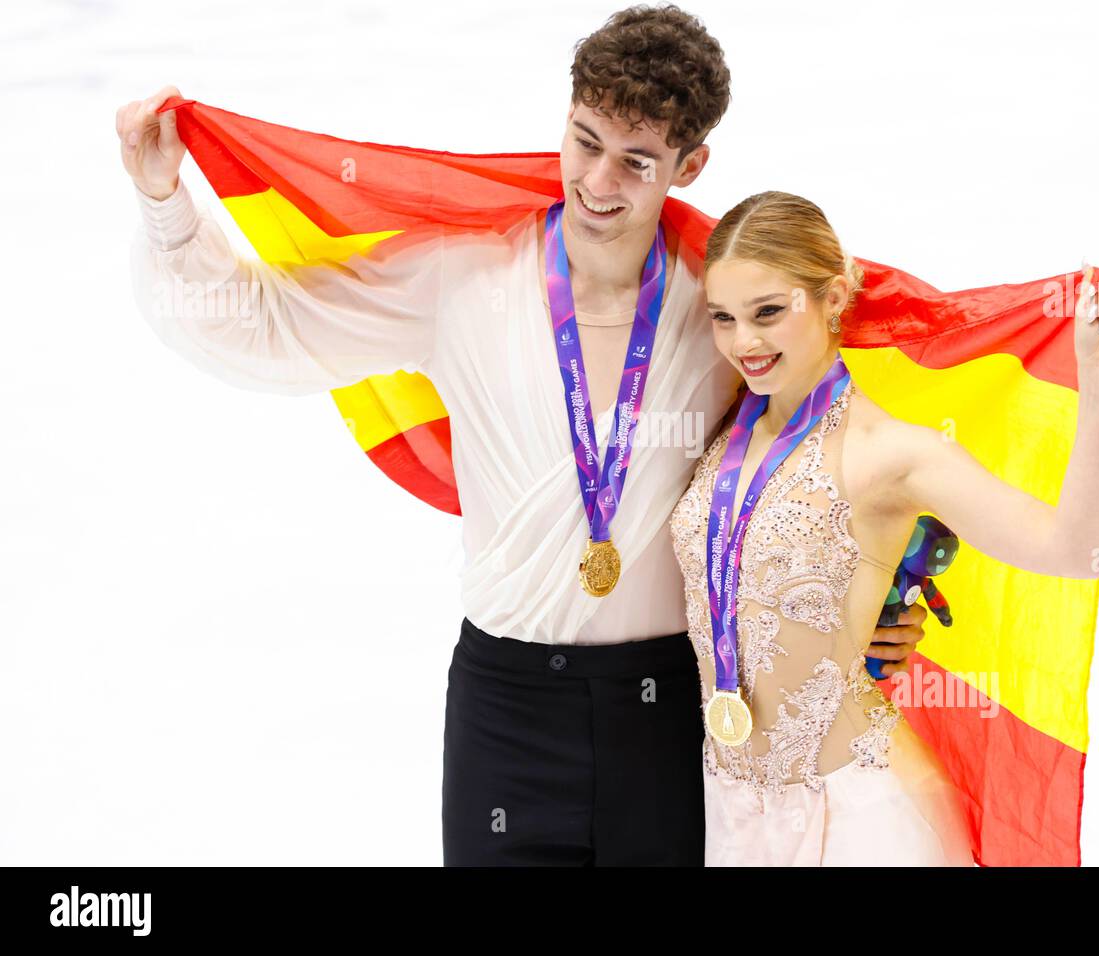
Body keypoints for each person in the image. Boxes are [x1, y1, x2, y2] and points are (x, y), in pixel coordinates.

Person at [115, 5, 932, 866]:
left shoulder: (719, 308)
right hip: (503, 709)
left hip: (665, 710)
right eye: (585, 141)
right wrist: (165, 203)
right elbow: (269, 327)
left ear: (689, 165)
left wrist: (867, 601)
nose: (598, 181)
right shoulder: (465, 276)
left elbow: (821, 456)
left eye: (637, 160)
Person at [670, 191, 1099, 866]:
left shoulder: (891, 455)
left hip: (860, 820)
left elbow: (1072, 550)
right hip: (727, 813)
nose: (743, 341)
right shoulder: (720, 426)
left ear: (833, 298)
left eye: (769, 312)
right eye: (724, 317)